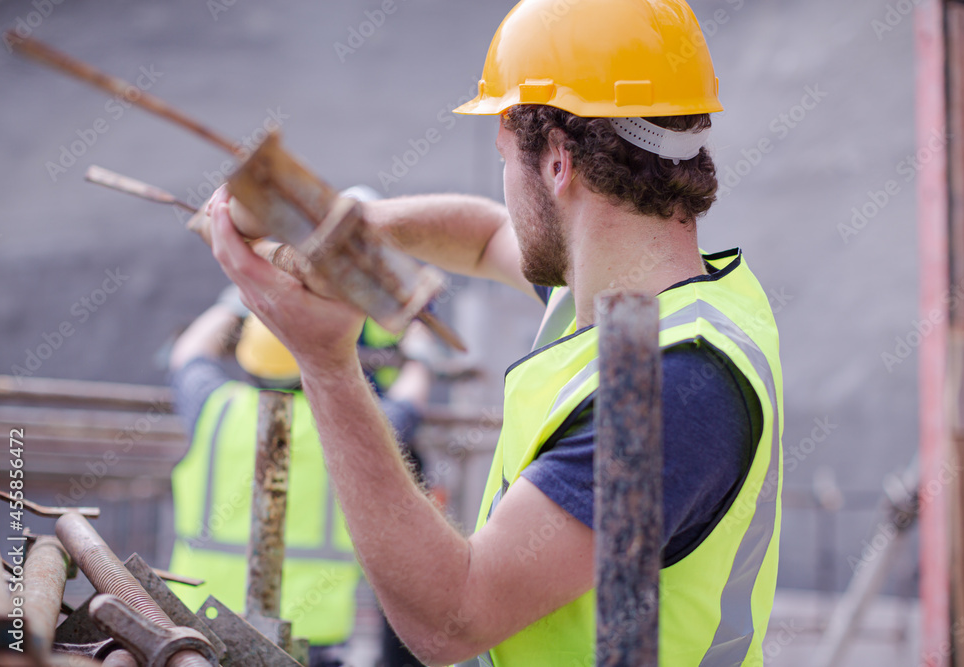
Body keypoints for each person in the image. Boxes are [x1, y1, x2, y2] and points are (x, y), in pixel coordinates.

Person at [203, 0, 784, 664]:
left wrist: (328, 365)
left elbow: (453, 616)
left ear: (558, 161)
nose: (504, 184)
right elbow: (484, 238)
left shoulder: (669, 384)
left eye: (505, 157)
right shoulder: (633, 295)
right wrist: (354, 223)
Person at [166, 297, 429, 667]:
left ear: (249, 358)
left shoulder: (216, 409)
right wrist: (420, 354)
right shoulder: (352, 430)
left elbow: (189, 354)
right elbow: (410, 402)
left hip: (198, 625)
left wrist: (237, 301)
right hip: (309, 640)